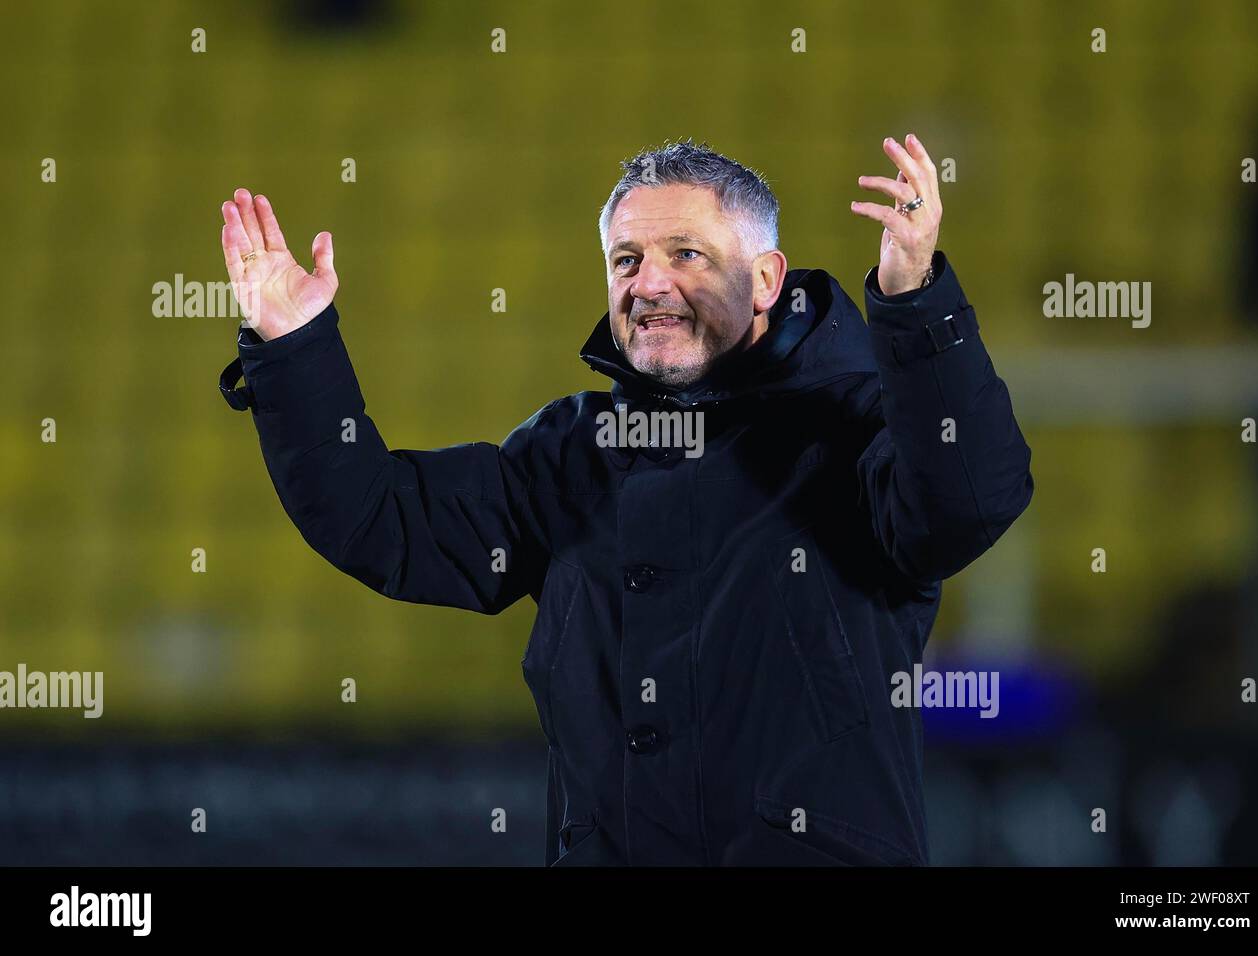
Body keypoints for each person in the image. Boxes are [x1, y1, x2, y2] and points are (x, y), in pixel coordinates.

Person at [216, 135, 1033, 866]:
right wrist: (295, 352)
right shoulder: (566, 450)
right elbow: (380, 520)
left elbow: (969, 501)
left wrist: (916, 303)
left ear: (765, 280)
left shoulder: (853, 426)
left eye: (685, 254)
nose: (649, 283)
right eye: (625, 259)